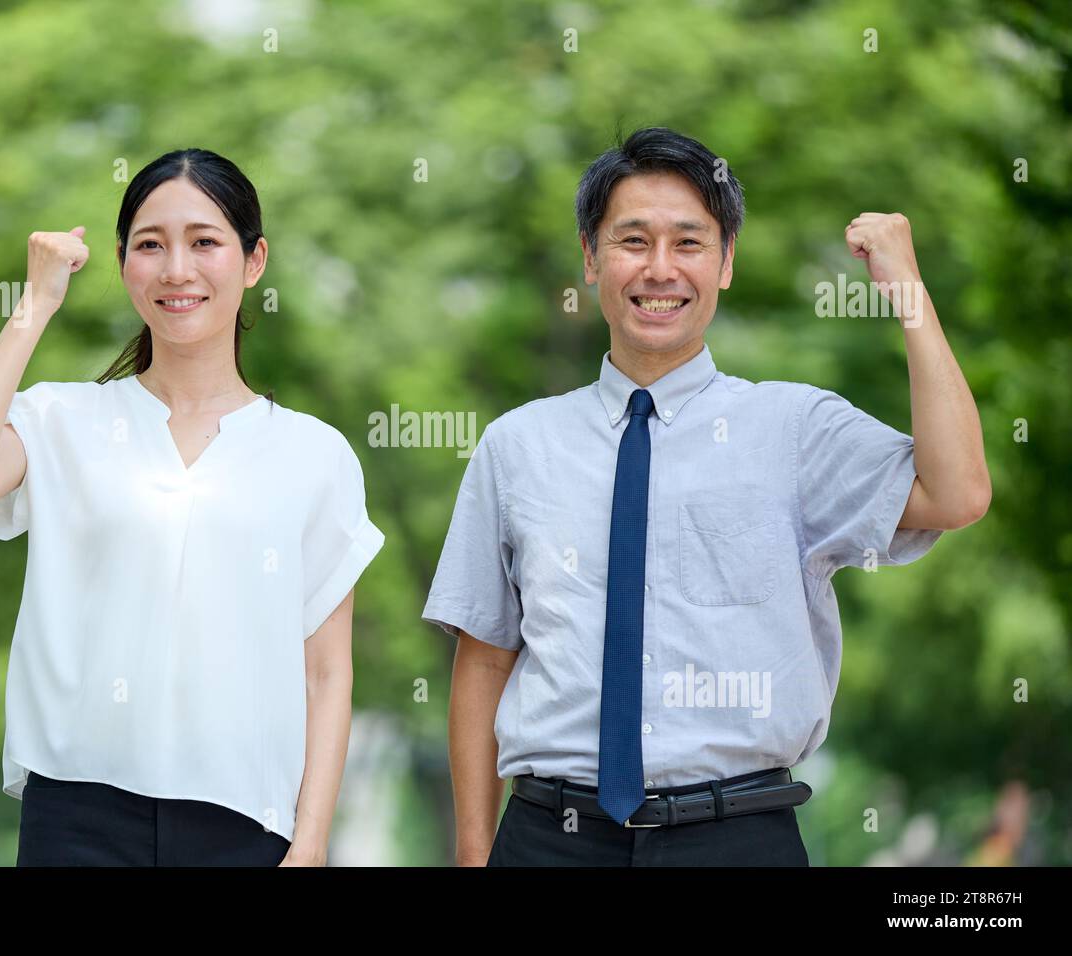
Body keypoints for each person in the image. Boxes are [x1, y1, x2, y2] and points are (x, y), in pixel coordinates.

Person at [422, 126, 990, 867]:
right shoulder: (516, 445)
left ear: (725, 264)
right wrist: (474, 855)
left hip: (737, 834)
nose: (660, 269)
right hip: (549, 838)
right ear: (591, 259)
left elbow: (958, 493)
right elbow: (486, 656)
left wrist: (907, 292)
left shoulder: (794, 429)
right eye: (633, 241)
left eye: (689, 243)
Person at [0, 148, 385, 866]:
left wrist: (312, 841)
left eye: (205, 242)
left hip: (246, 824)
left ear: (254, 260)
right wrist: (35, 303)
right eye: (150, 245)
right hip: (77, 813)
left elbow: (326, 673)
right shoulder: (62, 421)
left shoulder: (314, 455)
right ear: (121, 262)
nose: (177, 270)